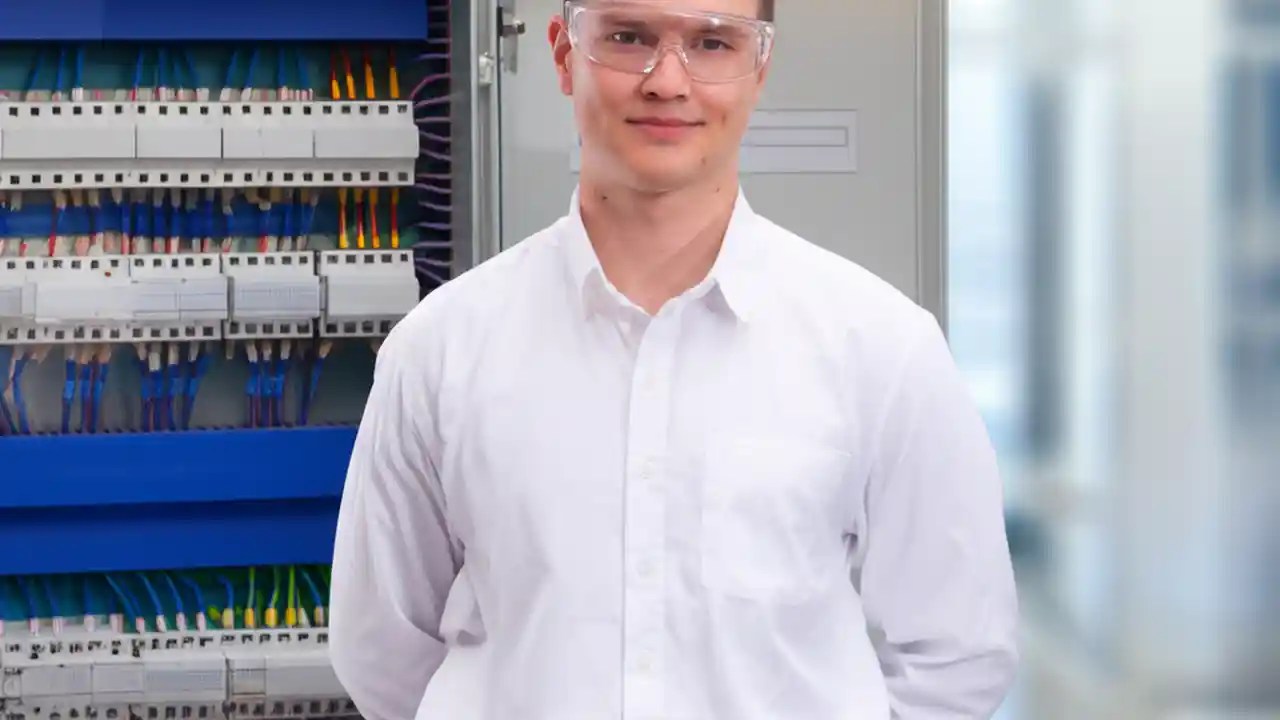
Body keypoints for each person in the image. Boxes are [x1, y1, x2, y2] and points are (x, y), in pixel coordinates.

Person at [329, 0, 1019, 717]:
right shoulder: (440, 348)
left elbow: (959, 649)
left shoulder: (881, 346)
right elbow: (382, 648)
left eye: (712, 43)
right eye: (628, 37)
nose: (667, 80)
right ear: (564, 54)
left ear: (760, 67)